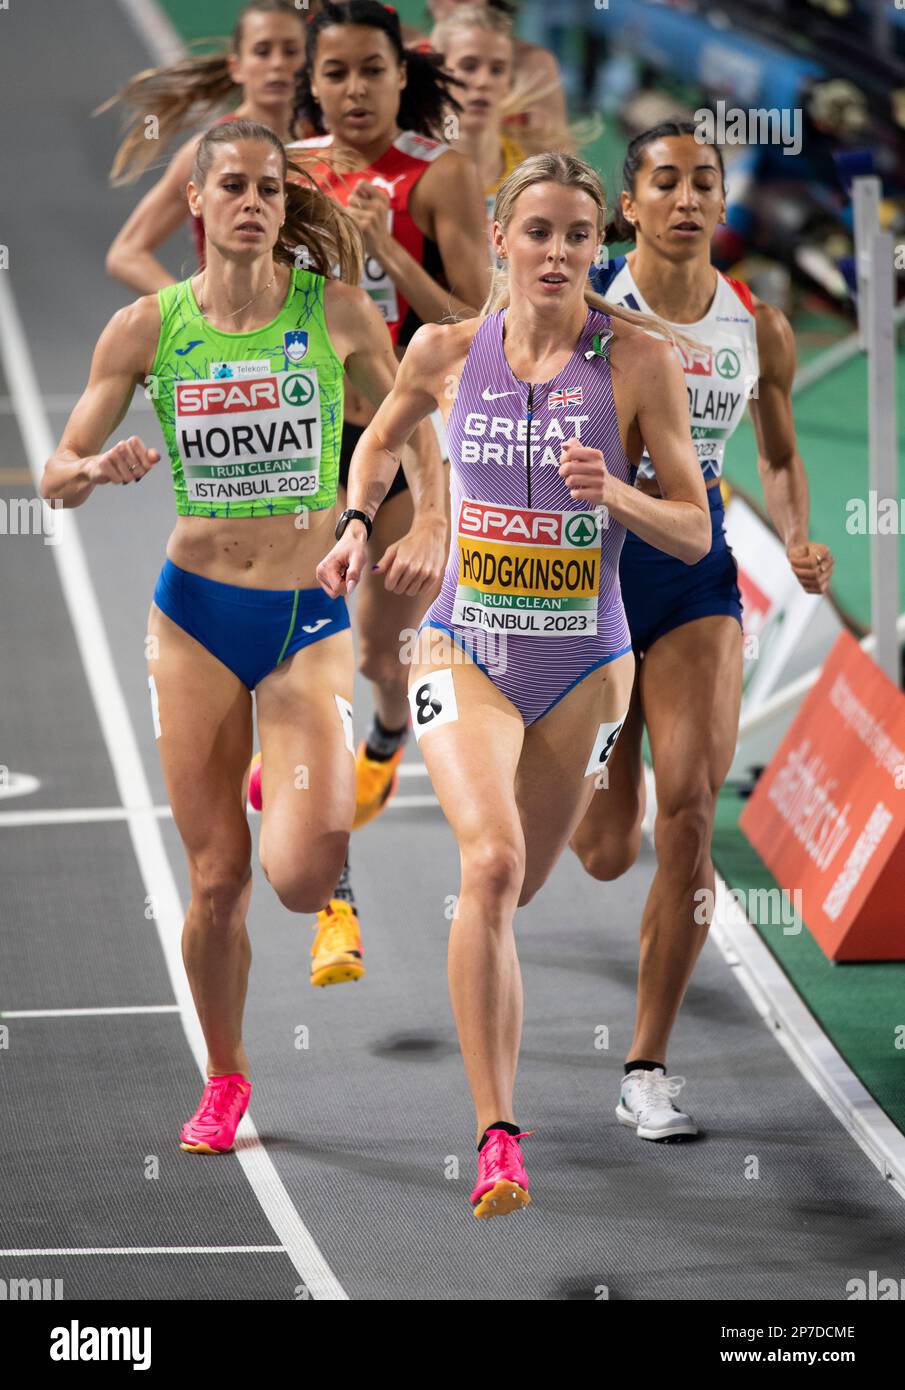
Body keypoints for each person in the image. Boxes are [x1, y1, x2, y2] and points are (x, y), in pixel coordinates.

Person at [317, 152, 711, 1217]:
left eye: (577, 235)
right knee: (487, 865)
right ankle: (498, 1135)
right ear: (499, 236)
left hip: (586, 663)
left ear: (598, 245)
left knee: (531, 879)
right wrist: (356, 523)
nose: (557, 253)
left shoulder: (637, 363)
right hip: (464, 648)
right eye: (537, 231)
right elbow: (379, 443)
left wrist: (615, 496)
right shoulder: (444, 349)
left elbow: (692, 529)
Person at [41, 120, 444, 1153]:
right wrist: (93, 469)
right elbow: (54, 474)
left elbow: (410, 420)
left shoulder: (335, 310)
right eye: (233, 186)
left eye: (270, 187)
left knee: (299, 878)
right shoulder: (146, 329)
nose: (254, 202)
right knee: (217, 878)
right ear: (198, 202)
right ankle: (225, 1076)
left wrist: (425, 521)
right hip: (196, 621)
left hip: (305, 618)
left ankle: (309, 827)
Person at [572, 120, 835, 1141]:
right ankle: (594, 783)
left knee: (687, 813)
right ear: (627, 204)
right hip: (586, 585)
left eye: (703, 183)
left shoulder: (755, 325)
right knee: (602, 850)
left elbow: (778, 450)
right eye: (664, 182)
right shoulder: (583, 298)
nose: (686, 198)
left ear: (724, 203)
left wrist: (797, 534)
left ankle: (644, 1066)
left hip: (691, 578)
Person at [280, 0, 489, 831]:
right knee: (301, 633)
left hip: (403, 435)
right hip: (302, 436)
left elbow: (479, 325)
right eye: (335, 73)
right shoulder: (287, 173)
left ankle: (389, 730)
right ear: (312, 83)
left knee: (377, 651)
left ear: (403, 75)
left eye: (373, 70)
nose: (355, 89)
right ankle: (305, 783)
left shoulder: (439, 175)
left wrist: (387, 250)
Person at [102, 0, 310, 294]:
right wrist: (192, 311)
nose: (277, 63)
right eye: (262, 51)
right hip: (232, 319)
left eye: (290, 51)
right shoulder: (208, 152)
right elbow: (126, 254)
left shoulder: (329, 145)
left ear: (310, 61)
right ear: (237, 67)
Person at [411, 0, 568, 148]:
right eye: (469, 66)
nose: (483, 81)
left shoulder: (534, 63)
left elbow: (555, 158)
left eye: (497, 70)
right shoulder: (408, 61)